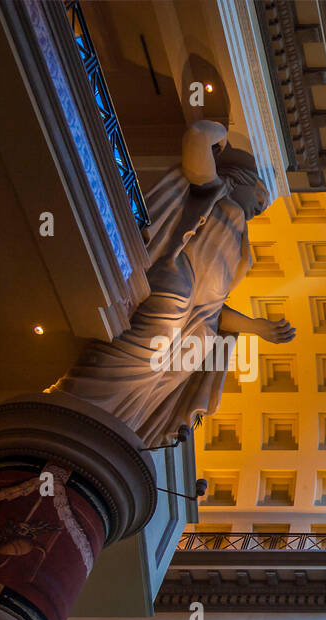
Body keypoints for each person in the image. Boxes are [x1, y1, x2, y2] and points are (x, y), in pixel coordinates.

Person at [49, 121, 294, 446]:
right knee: (128, 362)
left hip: (198, 327)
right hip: (171, 294)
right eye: (260, 195)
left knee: (149, 393)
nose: (261, 207)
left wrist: (256, 327)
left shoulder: (242, 248)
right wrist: (220, 133)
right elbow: (196, 138)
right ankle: (63, 415)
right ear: (239, 180)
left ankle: (103, 440)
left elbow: (216, 309)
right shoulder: (216, 193)